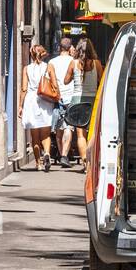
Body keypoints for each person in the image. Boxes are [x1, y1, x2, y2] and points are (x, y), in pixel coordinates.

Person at [64, 38, 103, 170]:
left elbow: (65, 81)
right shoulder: (96, 63)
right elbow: (101, 81)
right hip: (92, 101)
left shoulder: (73, 63)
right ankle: (91, 162)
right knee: (92, 132)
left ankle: (85, 163)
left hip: (77, 101)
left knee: (80, 135)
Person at [20, 44, 57, 171]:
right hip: (45, 100)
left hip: (31, 100)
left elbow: (24, 88)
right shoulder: (49, 67)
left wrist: (20, 105)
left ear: (31, 54)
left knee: (34, 134)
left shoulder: (27, 69)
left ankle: (38, 163)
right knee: (46, 133)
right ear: (43, 53)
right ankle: (47, 153)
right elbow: (55, 85)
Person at [49, 37, 77, 165]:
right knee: (69, 127)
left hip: (57, 97)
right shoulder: (74, 61)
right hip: (71, 97)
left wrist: (56, 93)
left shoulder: (52, 62)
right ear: (70, 47)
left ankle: (61, 155)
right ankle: (64, 155)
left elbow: (51, 80)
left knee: (59, 127)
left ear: (59, 47)